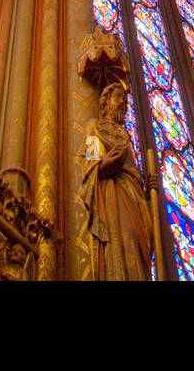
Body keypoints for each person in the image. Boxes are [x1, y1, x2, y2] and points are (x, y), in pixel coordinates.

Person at [79, 82, 153, 280]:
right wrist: (106, 165)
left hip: (133, 194)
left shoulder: (125, 137)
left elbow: (133, 172)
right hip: (112, 192)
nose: (124, 103)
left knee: (138, 245)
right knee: (124, 238)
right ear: (106, 101)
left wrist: (146, 190)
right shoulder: (93, 125)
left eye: (126, 100)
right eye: (119, 97)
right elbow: (91, 161)